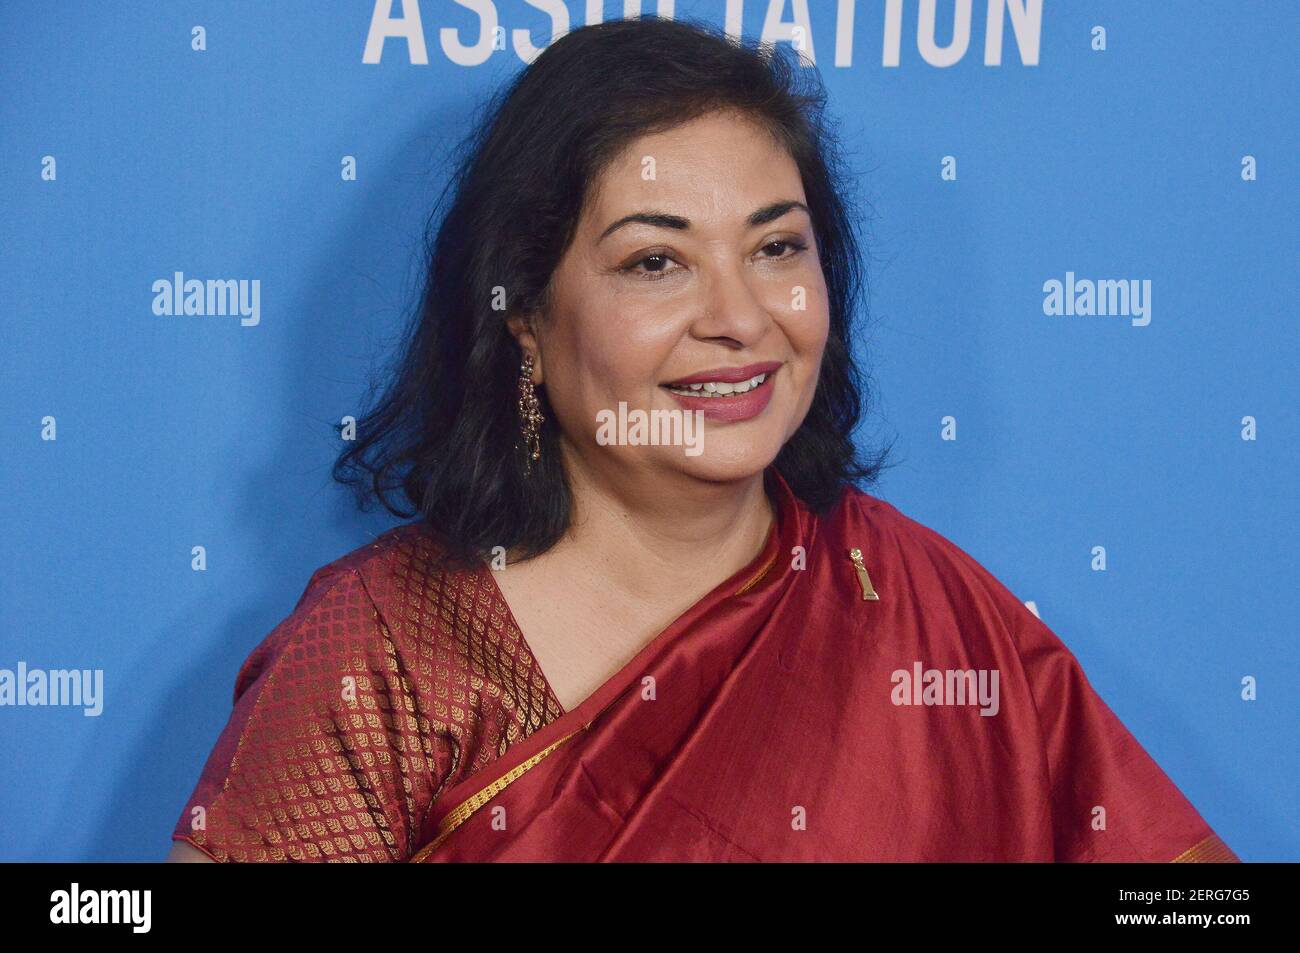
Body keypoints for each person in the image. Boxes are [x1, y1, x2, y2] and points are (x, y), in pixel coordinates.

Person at [167, 17, 1237, 863]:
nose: (740, 316)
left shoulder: (922, 607)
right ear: (524, 315)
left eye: (776, 246)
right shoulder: (387, 649)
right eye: (654, 262)